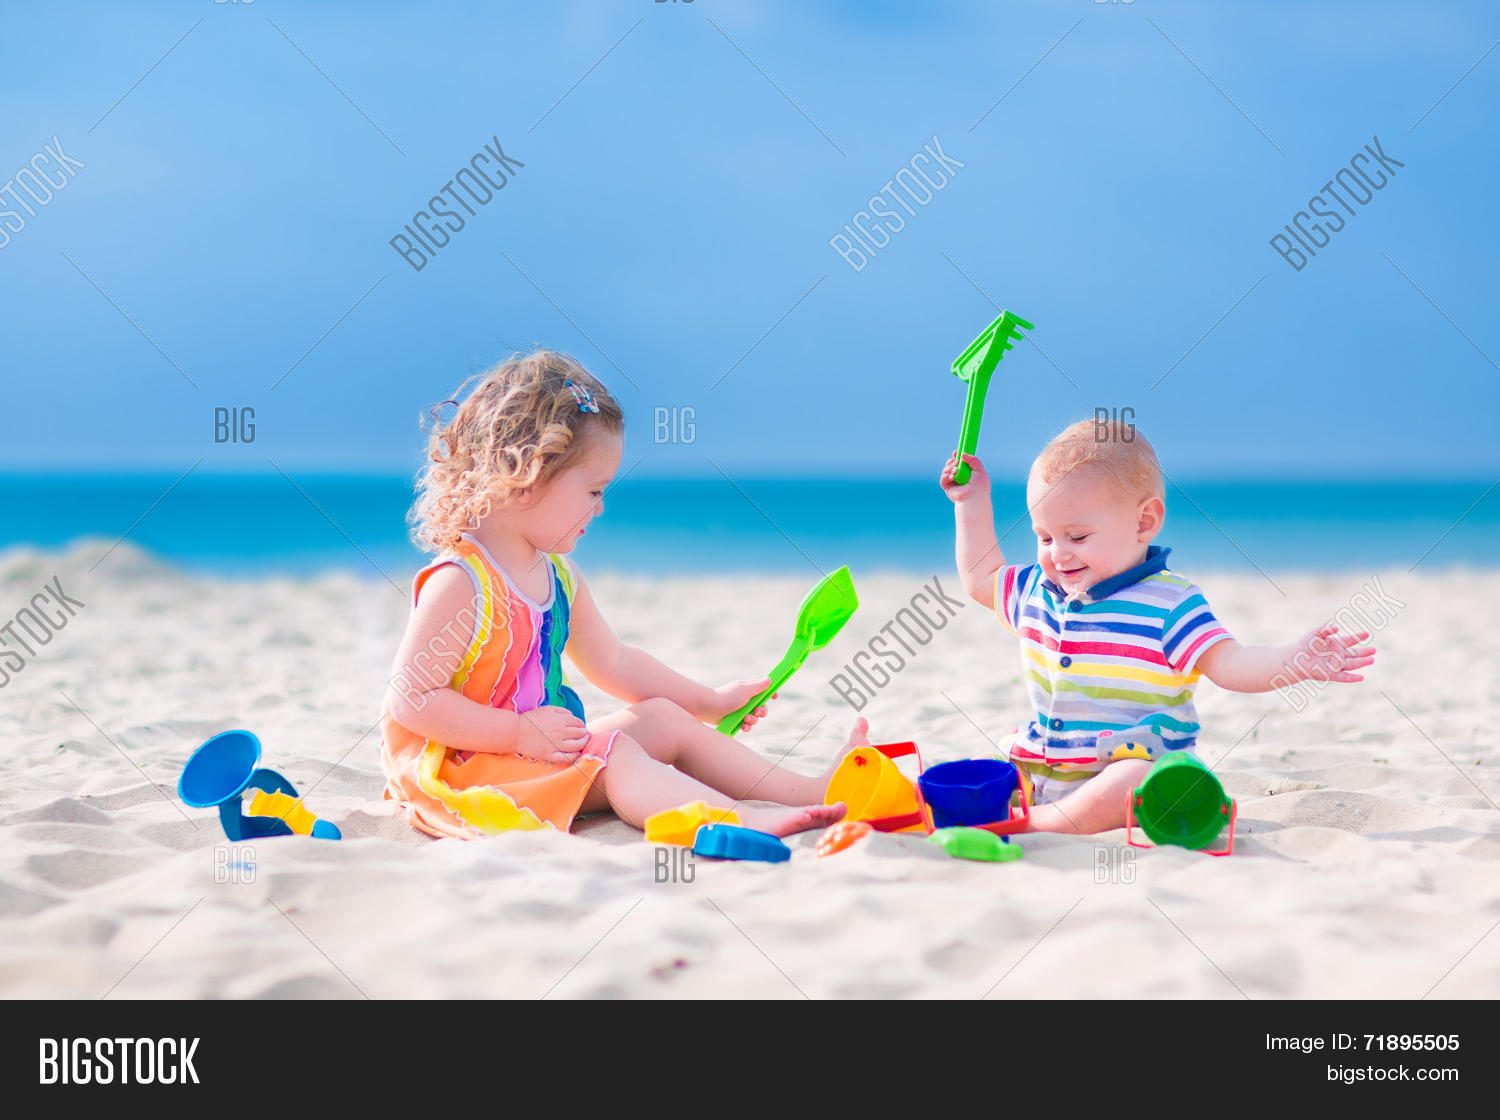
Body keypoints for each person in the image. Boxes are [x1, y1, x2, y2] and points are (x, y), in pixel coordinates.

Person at [380, 349, 860, 839]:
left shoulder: (559, 578)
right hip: (469, 775)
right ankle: (738, 822)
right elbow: (411, 698)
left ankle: (811, 792)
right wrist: (519, 733)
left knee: (663, 720)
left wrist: (710, 703)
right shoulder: (462, 582)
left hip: (534, 757)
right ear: (526, 475)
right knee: (615, 756)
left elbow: (615, 662)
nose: (601, 507)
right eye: (592, 490)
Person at [941, 419, 1375, 834]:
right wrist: (971, 503)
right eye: (1045, 537)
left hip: (1129, 768)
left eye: (1077, 537)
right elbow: (982, 576)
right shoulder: (1037, 589)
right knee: (985, 766)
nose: (1058, 554)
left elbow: (1230, 662)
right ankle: (1004, 811)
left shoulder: (1169, 603)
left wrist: (1290, 661)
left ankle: (1042, 825)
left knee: (1131, 782)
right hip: (1043, 763)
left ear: (1144, 522)